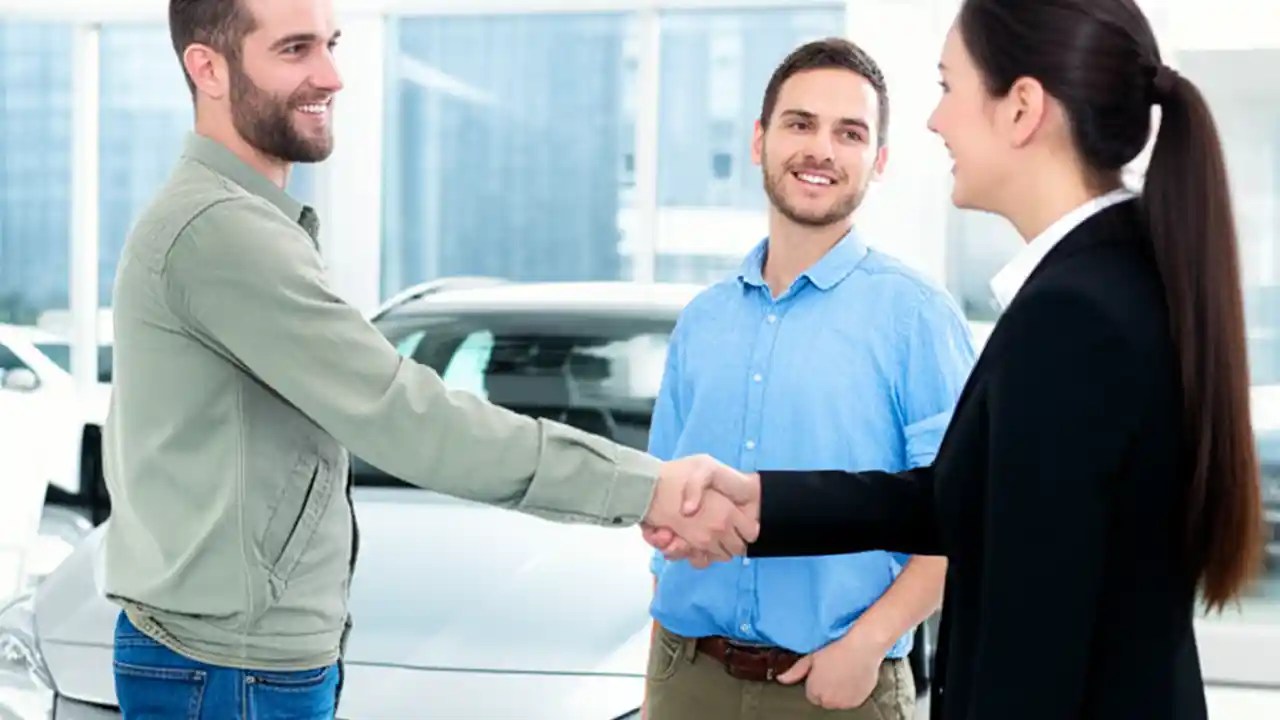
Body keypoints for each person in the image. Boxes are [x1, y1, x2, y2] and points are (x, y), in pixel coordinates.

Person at [104, 1, 754, 717]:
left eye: (332, 44)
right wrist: (649, 488)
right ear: (208, 68)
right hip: (226, 670)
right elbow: (408, 416)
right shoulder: (220, 231)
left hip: (236, 660)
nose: (332, 75)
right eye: (295, 50)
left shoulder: (241, 221)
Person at [655, 1, 1267, 718]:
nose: (934, 122)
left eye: (948, 87)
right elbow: (965, 502)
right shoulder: (1099, 287)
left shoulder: (1075, 318)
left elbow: (1034, 633)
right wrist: (769, 499)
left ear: (1021, 109)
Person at [642, 38, 974, 720]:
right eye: (800, 124)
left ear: (877, 161)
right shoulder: (701, 321)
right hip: (685, 675)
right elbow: (665, 511)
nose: (821, 150)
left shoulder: (917, 318)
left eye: (848, 133)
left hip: (837, 690)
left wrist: (870, 644)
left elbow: (966, 514)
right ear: (760, 140)